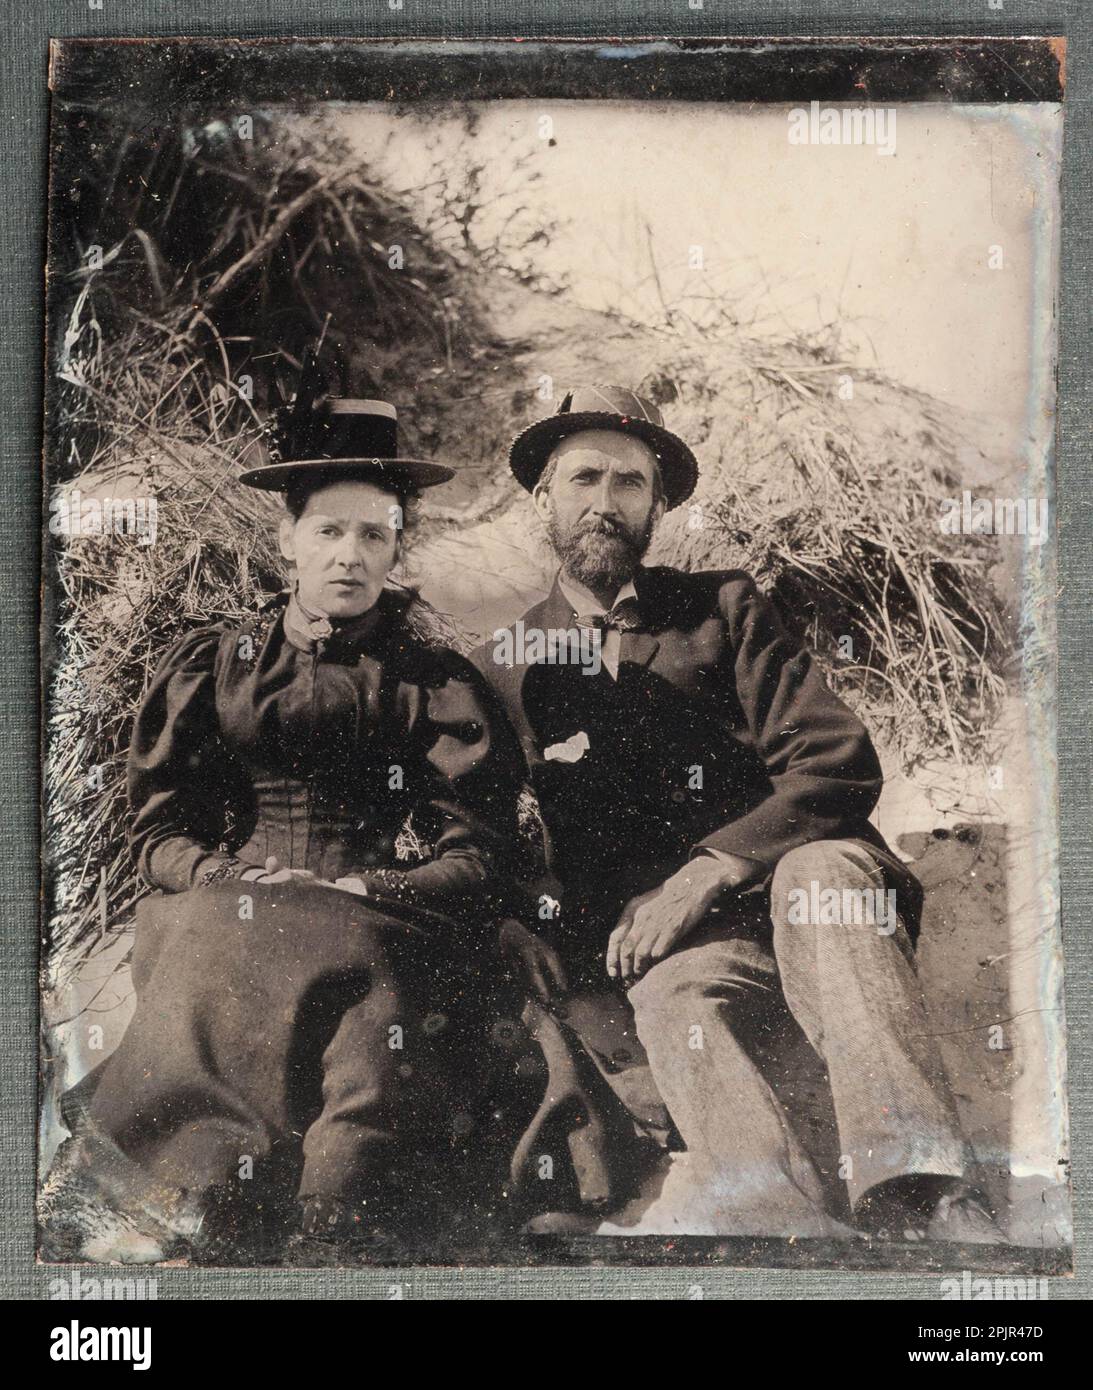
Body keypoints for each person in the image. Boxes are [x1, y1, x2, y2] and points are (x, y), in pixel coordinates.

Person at [472, 384, 1003, 1242]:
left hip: (808, 886)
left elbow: (835, 761)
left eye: (629, 483)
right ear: (542, 497)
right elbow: (483, 821)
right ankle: (780, 1227)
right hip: (690, 944)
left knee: (819, 872)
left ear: (658, 505)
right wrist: (515, 918)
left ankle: (925, 1194)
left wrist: (710, 867)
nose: (604, 505)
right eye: (583, 481)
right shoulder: (502, 666)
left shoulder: (722, 608)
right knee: (674, 997)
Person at [50, 394, 524, 1260]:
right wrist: (214, 875)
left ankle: (332, 1209)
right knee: (208, 929)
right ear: (287, 540)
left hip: (372, 904)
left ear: (396, 547)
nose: (349, 556)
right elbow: (158, 836)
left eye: (373, 535)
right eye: (328, 533)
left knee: (369, 971)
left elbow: (477, 855)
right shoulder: (218, 665)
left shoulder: (432, 680)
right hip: (232, 897)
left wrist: (368, 883)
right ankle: (163, 1198)